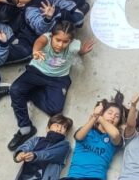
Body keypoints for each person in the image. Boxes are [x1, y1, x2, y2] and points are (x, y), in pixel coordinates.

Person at [8, 20, 88, 150]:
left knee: (55, 110)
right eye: (57, 40)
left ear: (71, 41)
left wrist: (83, 51)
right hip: (37, 71)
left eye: (65, 41)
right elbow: (39, 42)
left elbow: (77, 50)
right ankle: (25, 128)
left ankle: (28, 93)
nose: (60, 45)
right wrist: (35, 51)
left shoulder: (75, 45)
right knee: (15, 89)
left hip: (58, 78)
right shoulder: (46, 37)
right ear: (52, 36)